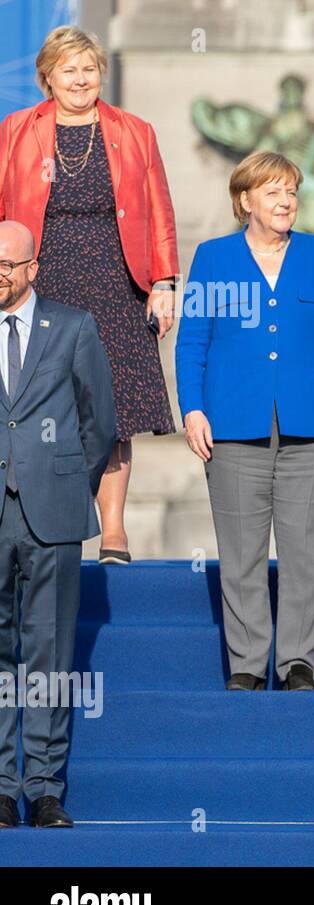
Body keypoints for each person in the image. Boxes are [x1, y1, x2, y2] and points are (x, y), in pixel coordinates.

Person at [175, 151, 314, 692]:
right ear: (245, 201)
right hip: (234, 424)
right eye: (273, 192)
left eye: (291, 192)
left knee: (303, 547)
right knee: (241, 550)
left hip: (311, 425)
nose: (286, 202)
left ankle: (298, 662)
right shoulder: (213, 258)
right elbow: (193, 342)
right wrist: (193, 408)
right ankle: (246, 663)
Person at [0, 26, 179, 563]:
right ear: (47, 77)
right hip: (44, 275)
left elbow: (160, 208)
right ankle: (49, 522)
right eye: (69, 69)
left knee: (115, 405)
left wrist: (165, 281)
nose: (81, 79)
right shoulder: (14, 131)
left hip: (115, 278)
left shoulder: (135, 130)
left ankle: (114, 530)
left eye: (89, 69)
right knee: (41, 403)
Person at [0, 220, 116, 829]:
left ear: (32, 269)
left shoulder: (73, 327)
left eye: (8, 265)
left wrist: (65, 479)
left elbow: (99, 422)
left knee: (48, 656)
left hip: (53, 514)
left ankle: (43, 787)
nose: (0, 274)